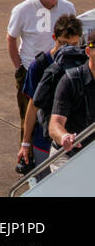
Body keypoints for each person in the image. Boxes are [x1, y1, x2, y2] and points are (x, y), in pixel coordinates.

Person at [8, 0, 77, 144]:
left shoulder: (68, 7)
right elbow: (11, 38)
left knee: (61, 113)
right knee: (28, 115)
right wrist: (19, 68)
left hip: (61, 69)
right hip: (32, 69)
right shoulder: (22, 10)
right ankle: (27, 155)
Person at [17, 13, 86, 174]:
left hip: (75, 141)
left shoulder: (83, 64)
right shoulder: (39, 66)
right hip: (44, 142)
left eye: (75, 44)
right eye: (64, 43)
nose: (69, 49)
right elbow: (32, 108)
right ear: (54, 37)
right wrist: (25, 144)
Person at [49, 29, 95, 158]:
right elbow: (55, 124)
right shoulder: (70, 81)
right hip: (67, 155)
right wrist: (64, 137)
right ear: (88, 52)